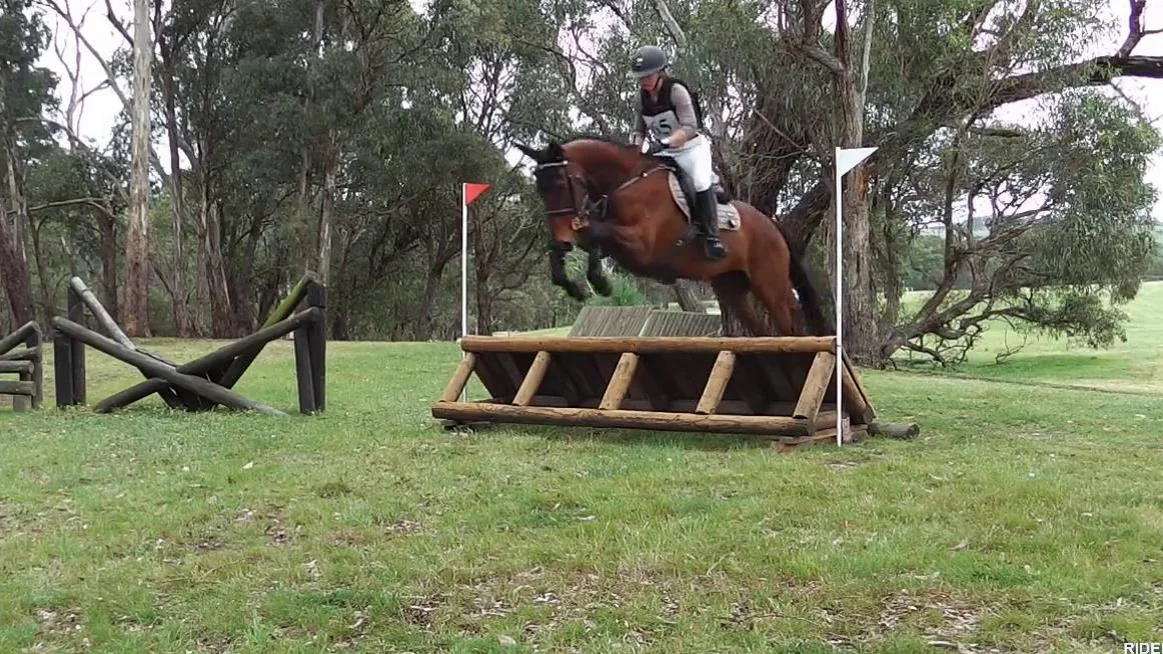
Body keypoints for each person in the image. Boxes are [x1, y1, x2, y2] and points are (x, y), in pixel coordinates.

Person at [628, 44, 726, 261]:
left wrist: (667, 142)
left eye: (647, 76)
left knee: (700, 182)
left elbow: (690, 127)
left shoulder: (676, 91)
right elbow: (639, 130)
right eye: (639, 77)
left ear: (660, 72)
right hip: (666, 153)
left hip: (691, 149)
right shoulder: (640, 98)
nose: (642, 81)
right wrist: (636, 150)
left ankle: (712, 237)